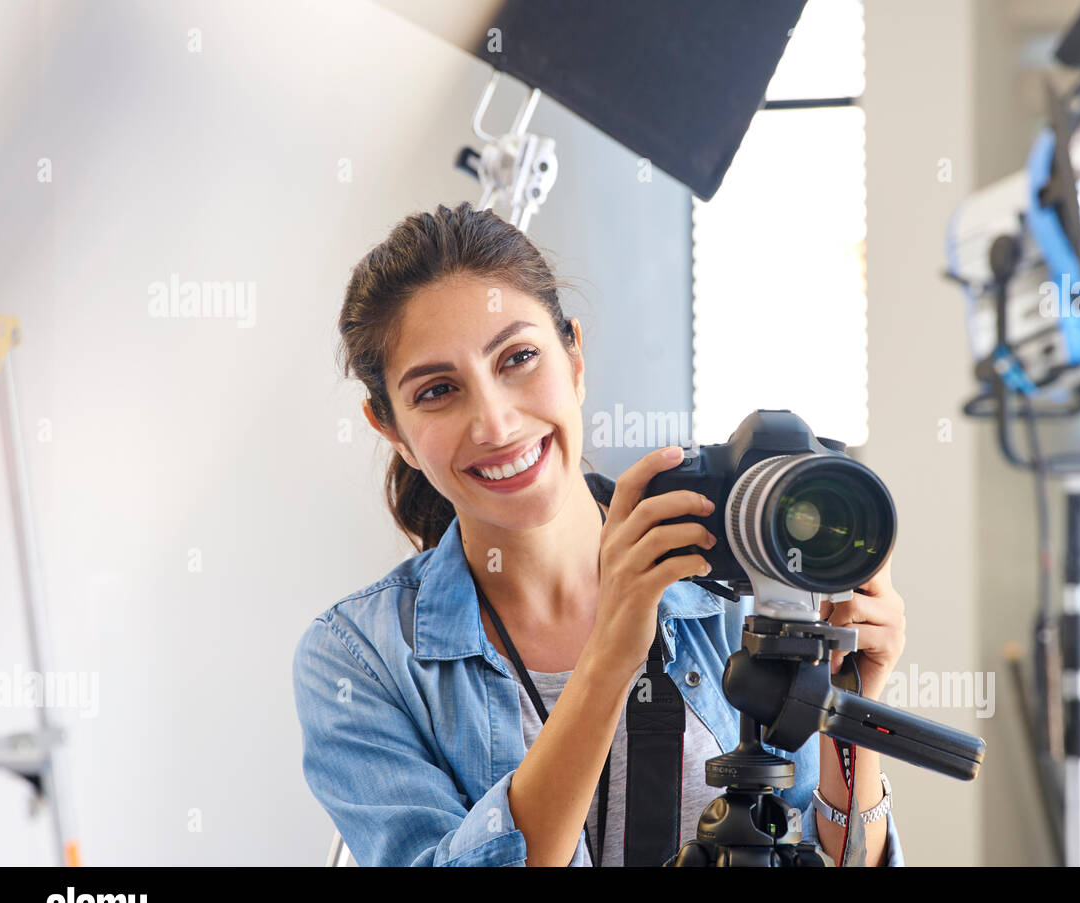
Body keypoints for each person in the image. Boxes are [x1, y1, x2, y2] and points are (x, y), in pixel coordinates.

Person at [291, 202, 907, 866]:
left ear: (575, 357)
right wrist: (611, 654)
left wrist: (853, 708)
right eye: (438, 391)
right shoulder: (358, 659)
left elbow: (828, 853)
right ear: (393, 432)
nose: (495, 424)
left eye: (518, 357)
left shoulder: (730, 588)